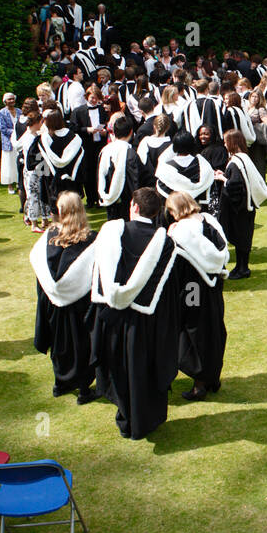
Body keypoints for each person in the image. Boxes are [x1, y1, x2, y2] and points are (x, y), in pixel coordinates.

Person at [89, 188, 182, 439]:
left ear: (134, 207)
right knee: (144, 370)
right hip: (146, 321)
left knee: (119, 368)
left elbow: (98, 275)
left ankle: (125, 417)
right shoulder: (165, 243)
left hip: (113, 318)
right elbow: (168, 291)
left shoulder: (112, 234)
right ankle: (147, 420)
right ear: (155, 212)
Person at [32, 192, 98, 404]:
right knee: (82, 345)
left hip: (54, 304)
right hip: (82, 304)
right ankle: (83, 390)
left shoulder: (48, 237)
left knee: (59, 344)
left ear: (59, 211)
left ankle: (60, 384)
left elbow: (40, 274)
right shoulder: (92, 239)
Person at [166, 191, 228, 400]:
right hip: (214, 285)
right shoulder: (209, 219)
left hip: (192, 288)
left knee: (192, 332)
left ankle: (200, 384)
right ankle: (213, 378)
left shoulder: (180, 231)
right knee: (214, 329)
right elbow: (222, 252)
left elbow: (176, 266)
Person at [217, 129, 266, 279]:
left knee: (241, 238)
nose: (224, 144)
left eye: (226, 141)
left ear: (232, 143)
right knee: (243, 238)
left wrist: (223, 179)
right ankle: (241, 267)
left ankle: (243, 268)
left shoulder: (236, 162)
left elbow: (236, 185)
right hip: (246, 206)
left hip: (240, 208)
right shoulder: (244, 157)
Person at [97, 115, 141, 221]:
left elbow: (100, 175)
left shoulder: (104, 151)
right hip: (127, 200)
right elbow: (135, 181)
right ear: (131, 132)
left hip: (110, 200)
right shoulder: (130, 153)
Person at [0, 93, 20, 194]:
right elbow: (3, 129)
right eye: (9, 99)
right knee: (9, 163)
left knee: (18, 161)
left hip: (19, 140)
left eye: (13, 99)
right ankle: (10, 185)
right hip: (8, 141)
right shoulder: (2, 113)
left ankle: (18, 183)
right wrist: (15, 132)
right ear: (5, 101)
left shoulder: (19, 111)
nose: (11, 101)